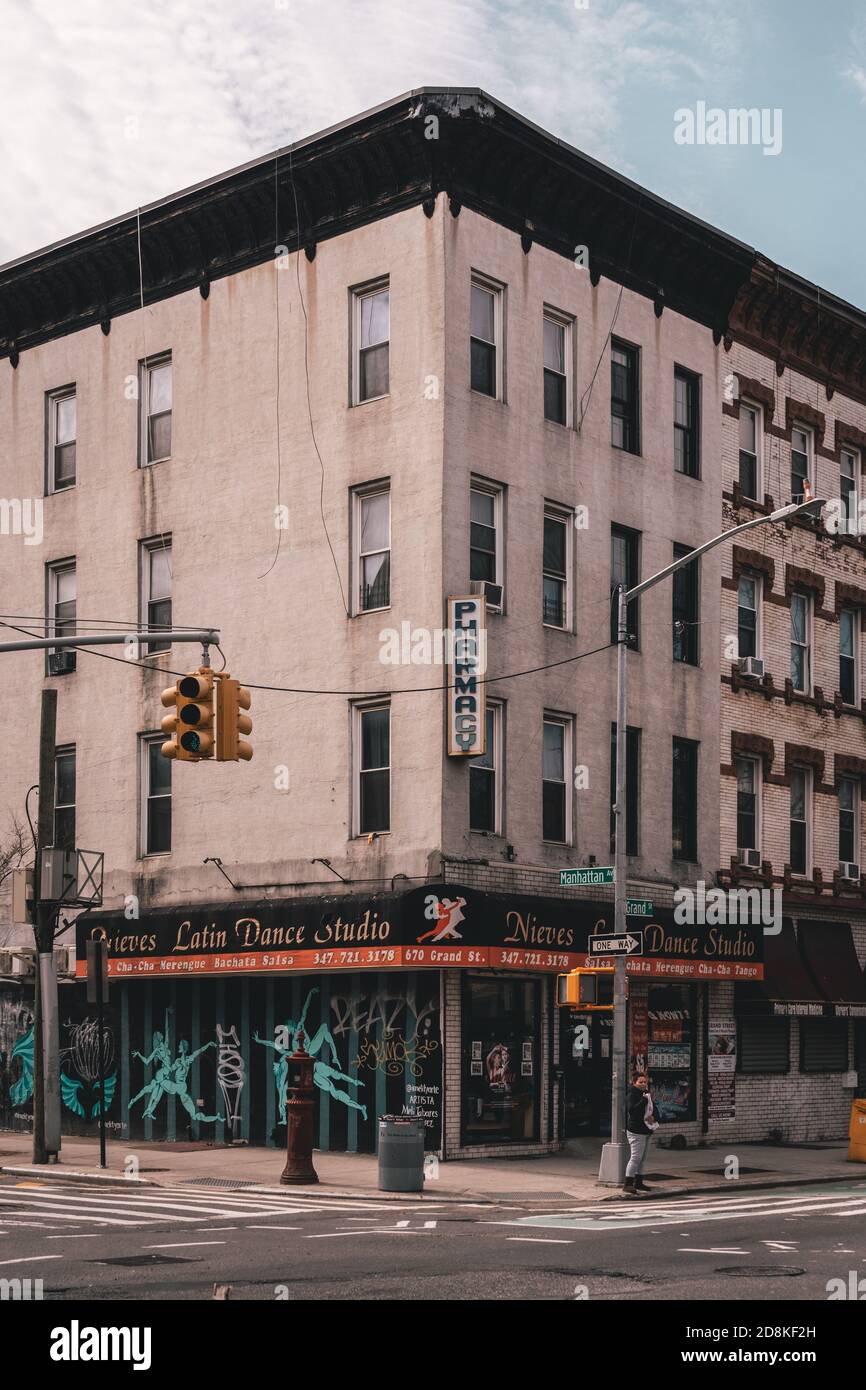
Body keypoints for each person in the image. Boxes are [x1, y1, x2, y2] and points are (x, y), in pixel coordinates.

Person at [623, 1070, 660, 1196]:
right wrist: (643, 1101)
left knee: (642, 1158)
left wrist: (654, 1117)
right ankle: (628, 1184)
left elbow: (654, 1108)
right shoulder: (632, 1094)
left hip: (647, 1129)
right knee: (635, 1157)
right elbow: (632, 1110)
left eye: (645, 1082)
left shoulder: (646, 1093)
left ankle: (639, 1182)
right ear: (634, 1082)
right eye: (640, 1082)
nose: (644, 1084)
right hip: (636, 1130)